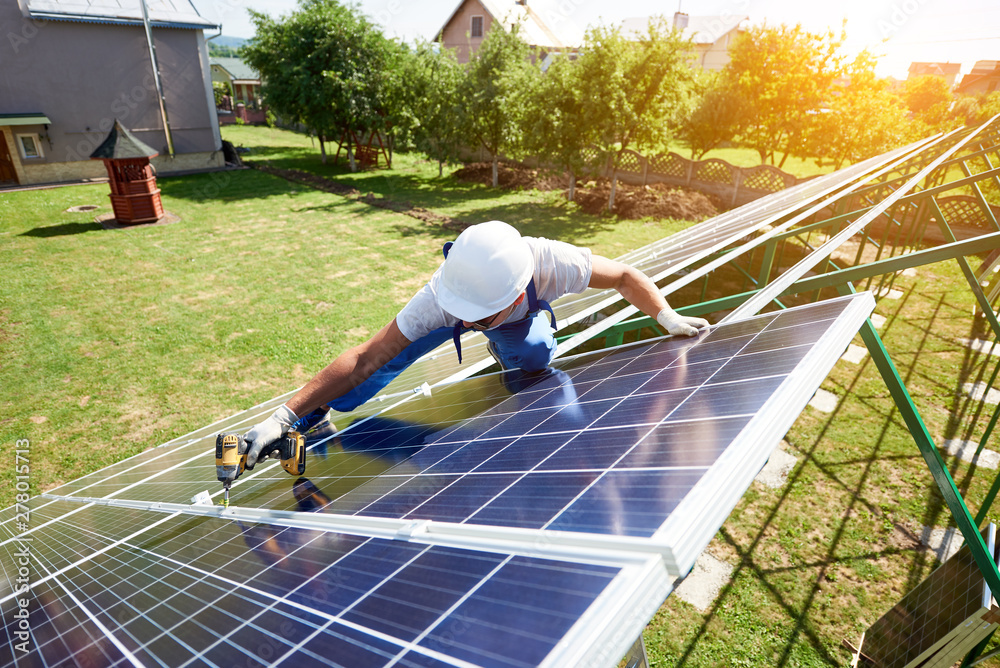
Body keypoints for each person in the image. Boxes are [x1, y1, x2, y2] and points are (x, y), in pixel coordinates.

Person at [243, 220, 709, 466]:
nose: (472, 319)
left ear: (519, 287)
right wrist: (283, 415)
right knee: (369, 373)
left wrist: (667, 317)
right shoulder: (444, 300)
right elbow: (366, 356)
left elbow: (625, 276)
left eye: (482, 316)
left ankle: (505, 342)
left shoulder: (553, 263)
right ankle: (318, 411)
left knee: (534, 353)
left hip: (519, 321)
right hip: (443, 313)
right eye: (468, 314)